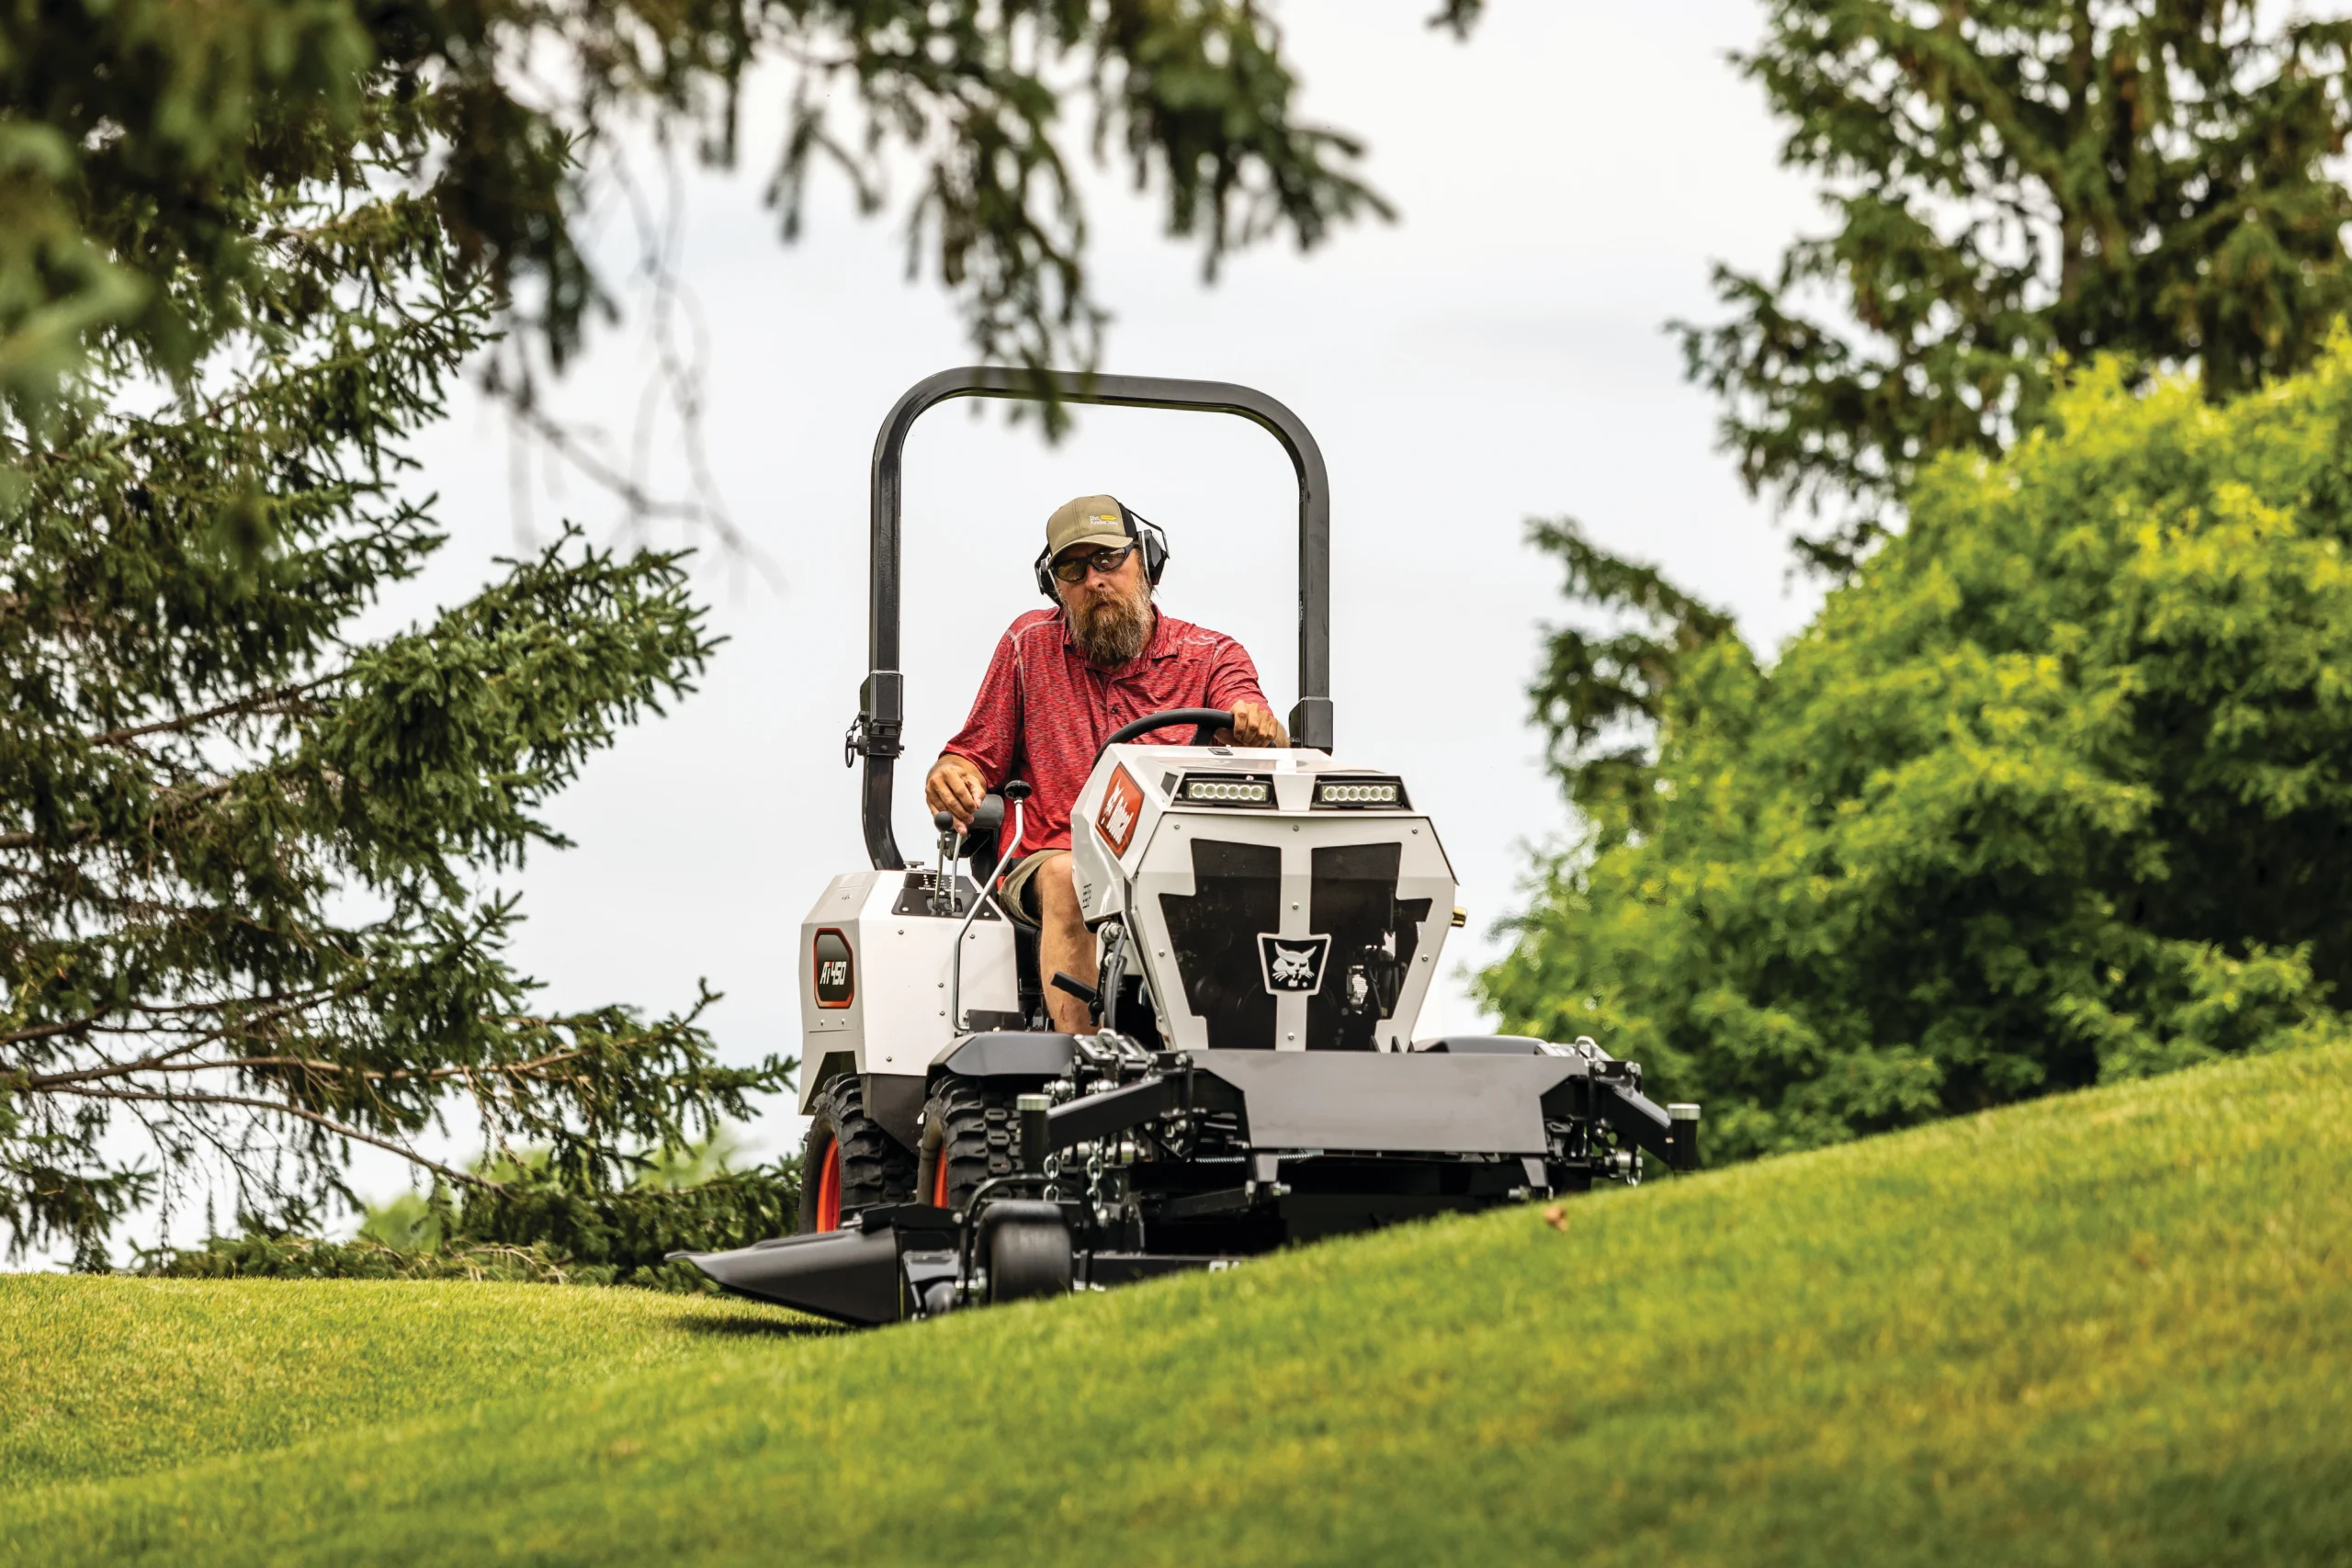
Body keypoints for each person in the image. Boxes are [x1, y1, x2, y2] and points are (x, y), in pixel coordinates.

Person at [925, 494, 1287, 1032]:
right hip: (1053, 858)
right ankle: (1086, 1059)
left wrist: (1258, 727)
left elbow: (1258, 723)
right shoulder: (1029, 646)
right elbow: (971, 757)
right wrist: (949, 775)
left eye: (1107, 559)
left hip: (1185, 864)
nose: (1094, 580)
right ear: (1054, 586)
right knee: (1071, 877)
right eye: (1073, 569)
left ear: (1146, 561)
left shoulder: (1212, 655)